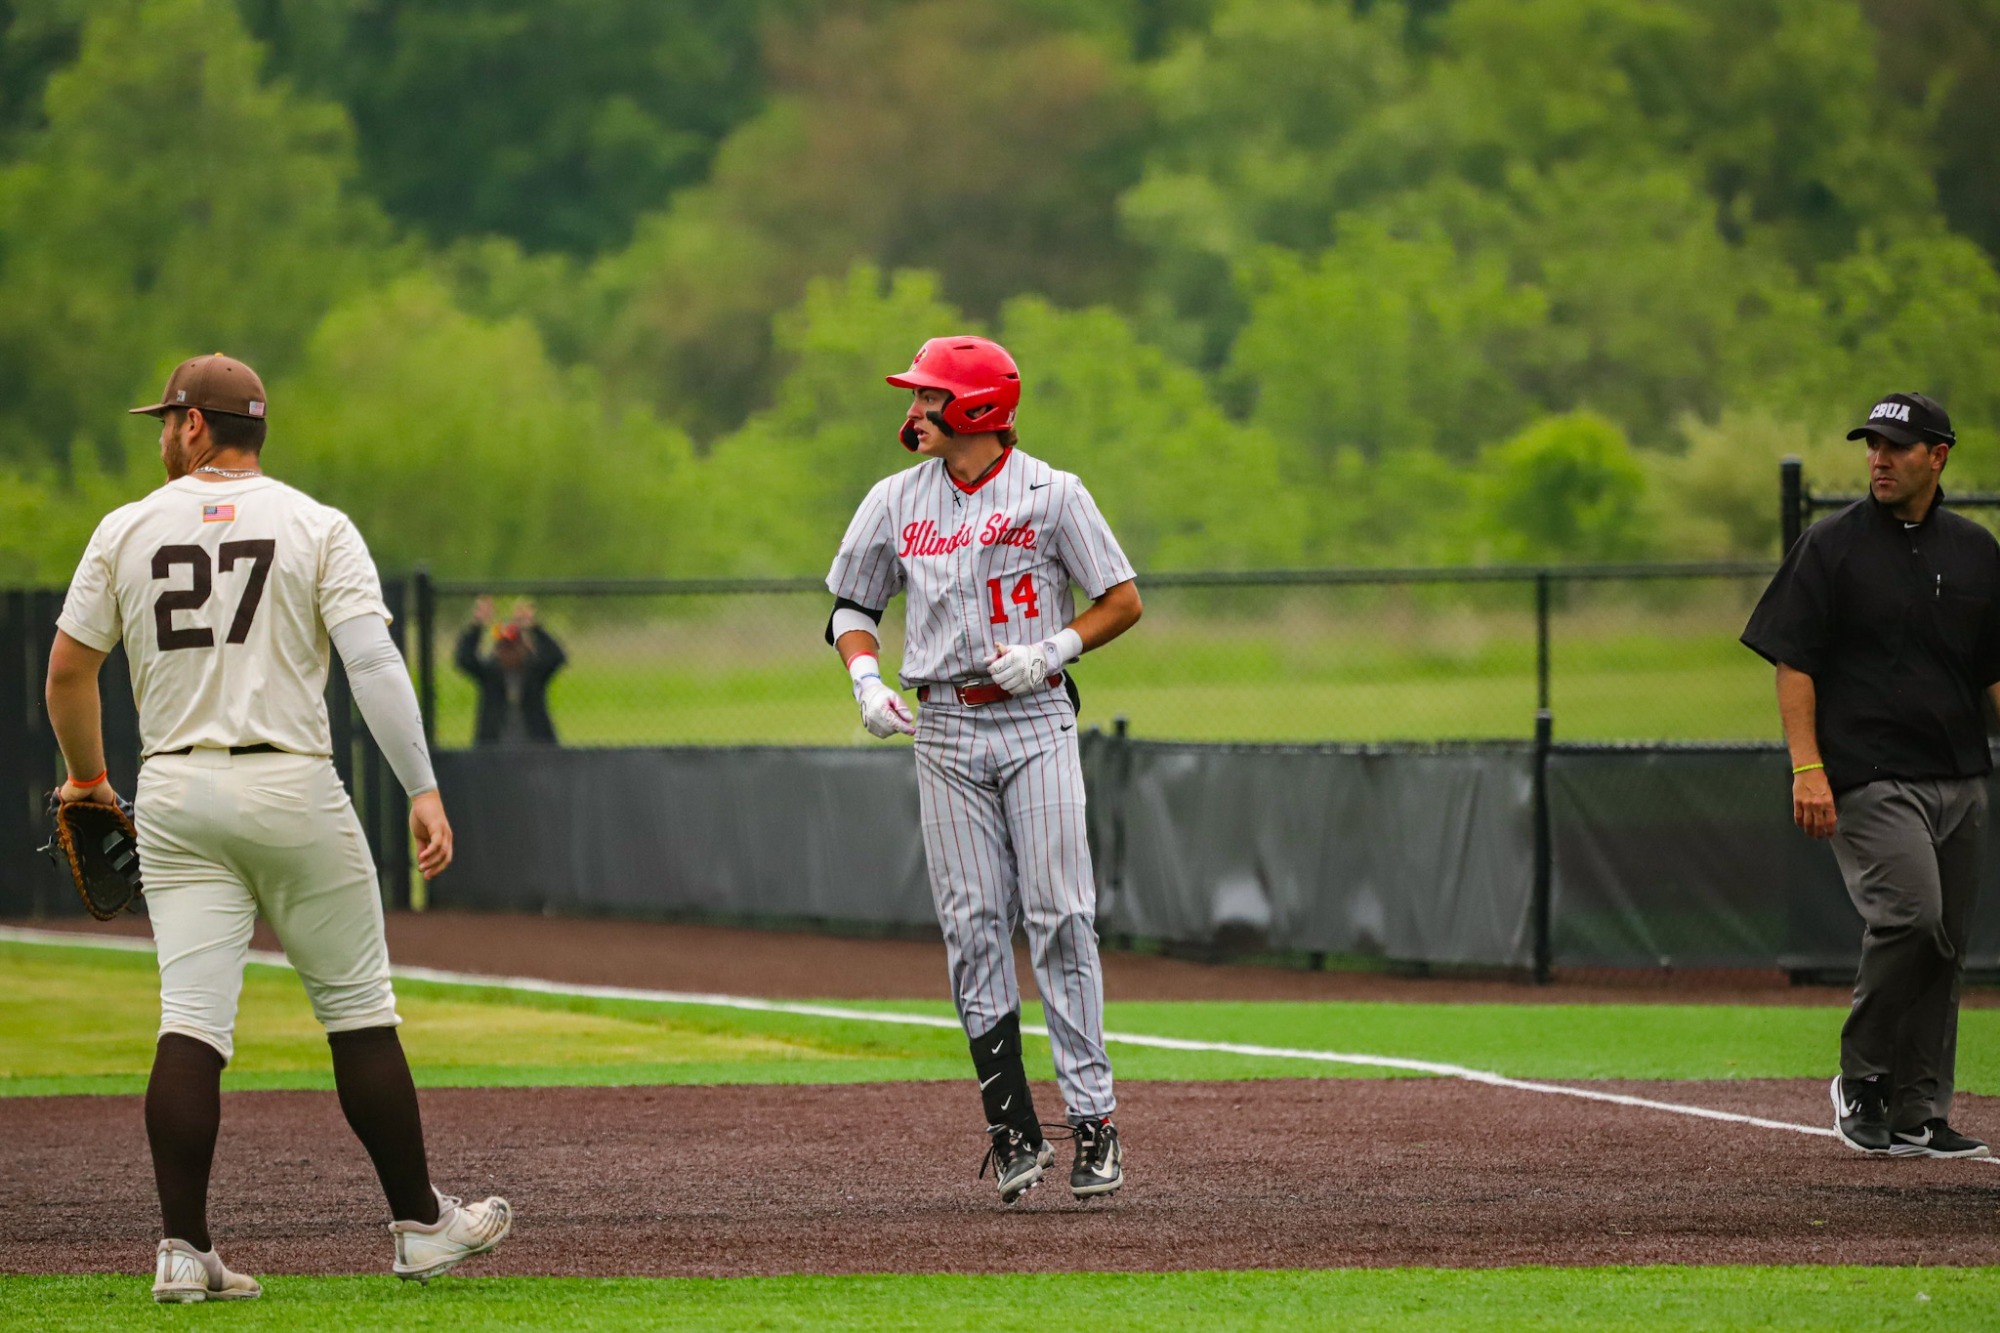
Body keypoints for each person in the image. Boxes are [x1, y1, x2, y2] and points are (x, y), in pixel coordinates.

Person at [45, 354, 514, 1302]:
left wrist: (88, 780)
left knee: (191, 1021)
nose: (160, 434)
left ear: (191, 425)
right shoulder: (316, 523)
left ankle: (184, 1250)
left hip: (176, 791)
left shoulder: (127, 527)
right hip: (291, 782)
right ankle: (421, 1225)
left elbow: (66, 672)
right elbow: (374, 664)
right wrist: (421, 787)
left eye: (165, 419)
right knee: (357, 1013)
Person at [825, 335, 1143, 1203]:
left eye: (930, 394)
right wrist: (864, 677)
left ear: (975, 408)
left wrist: (1053, 650)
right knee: (972, 926)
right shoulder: (895, 499)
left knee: (1061, 915)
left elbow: (1122, 597)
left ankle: (1095, 1121)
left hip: (1035, 716)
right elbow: (852, 604)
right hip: (944, 728)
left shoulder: (1054, 493)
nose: (915, 408)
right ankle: (1011, 1128)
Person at [1742, 391, 1998, 1161]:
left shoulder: (1977, 550)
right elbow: (1794, 662)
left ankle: (1919, 1110)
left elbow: (1992, 674)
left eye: (1895, 446)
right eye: (1872, 445)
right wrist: (1808, 767)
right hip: (1869, 774)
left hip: (1959, 771)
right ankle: (1861, 1078)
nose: (1878, 459)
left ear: (1938, 456)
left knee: (1946, 944)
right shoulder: (1832, 545)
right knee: (1911, 917)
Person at [455, 597, 566, 745]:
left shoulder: (534, 672)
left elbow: (556, 657)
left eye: (513, 647)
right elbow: (465, 659)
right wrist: (477, 626)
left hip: (535, 746)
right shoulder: (490, 674)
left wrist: (534, 627)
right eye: (502, 647)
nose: (507, 652)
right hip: (494, 748)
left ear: (525, 648)